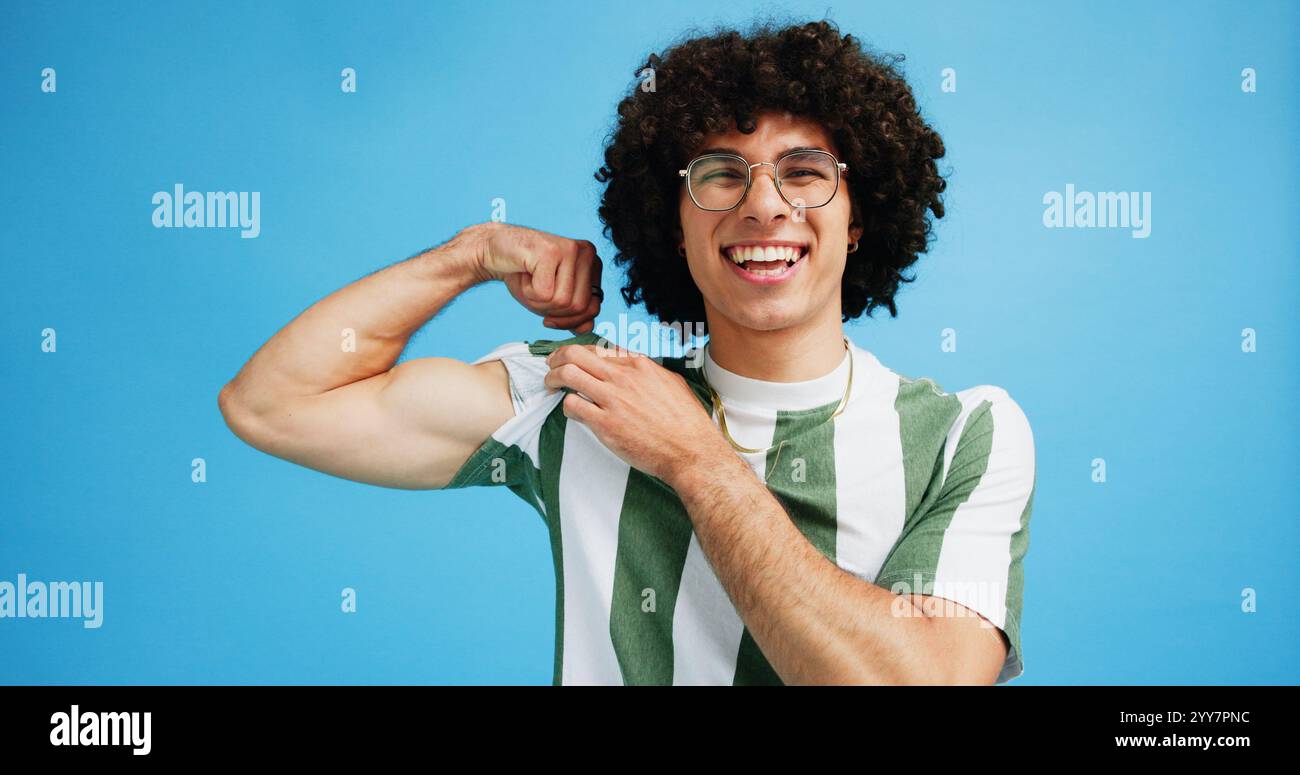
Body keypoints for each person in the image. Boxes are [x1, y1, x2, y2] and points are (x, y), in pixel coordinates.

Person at [218, 19, 1036, 685]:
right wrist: (467, 254)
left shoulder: (968, 435)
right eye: (720, 175)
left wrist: (694, 459)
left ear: (858, 219)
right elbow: (271, 404)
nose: (763, 205)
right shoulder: (579, 397)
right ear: (672, 226)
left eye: (805, 171)